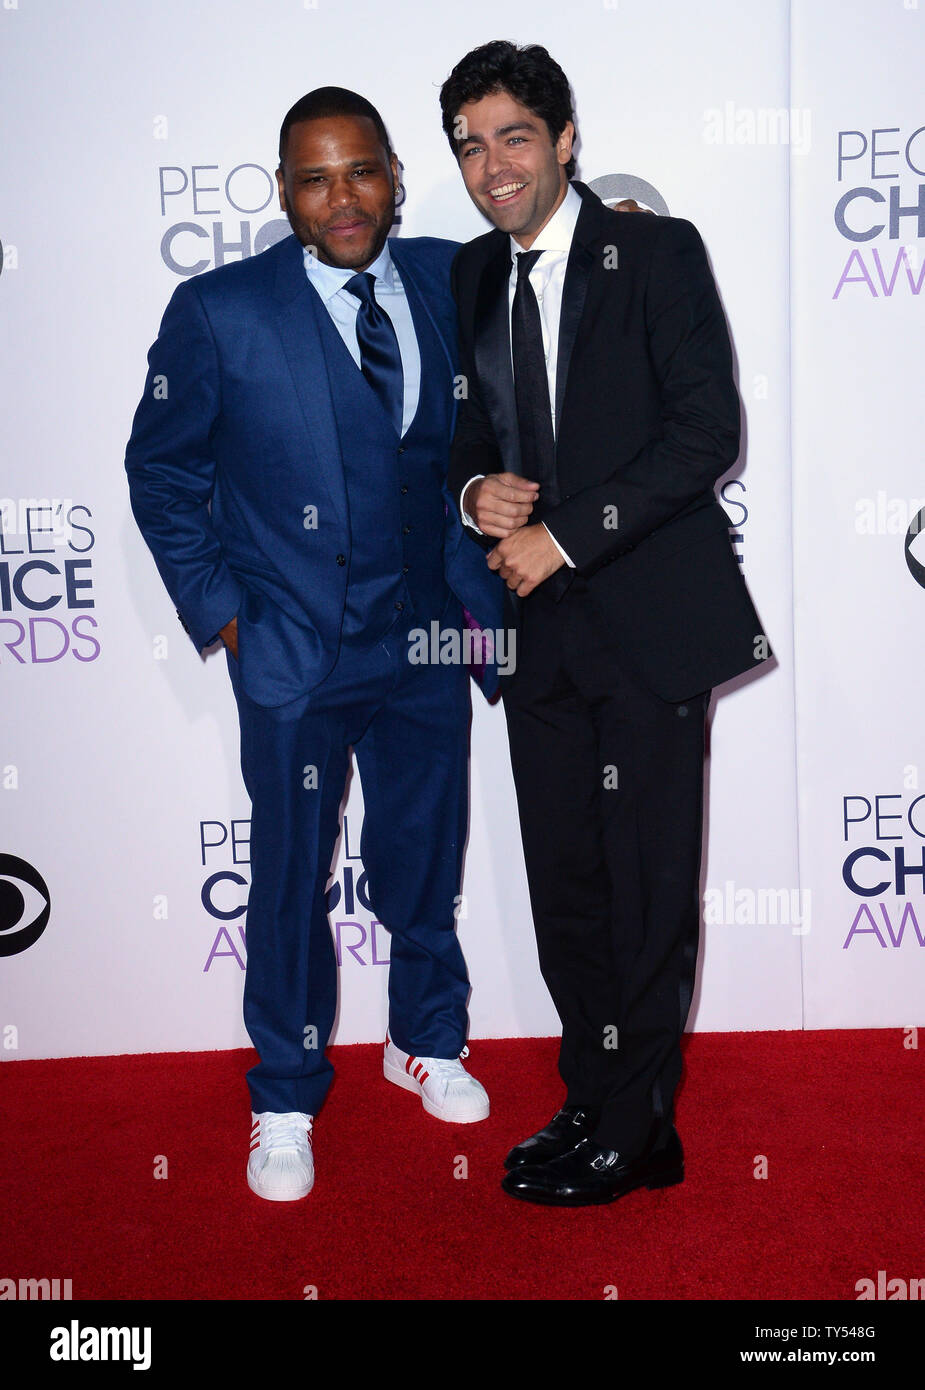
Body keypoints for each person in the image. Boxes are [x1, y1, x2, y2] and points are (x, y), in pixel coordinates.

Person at [125, 87, 505, 1203]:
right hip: (292, 646)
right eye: (313, 177)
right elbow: (162, 470)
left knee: (423, 852)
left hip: (425, 632)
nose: (342, 198)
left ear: (393, 174)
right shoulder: (218, 311)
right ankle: (285, 1089)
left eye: (360, 172)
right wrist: (222, 610)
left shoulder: (447, 277)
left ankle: (424, 1036)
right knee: (292, 873)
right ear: (284, 191)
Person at [440, 41, 772, 1206]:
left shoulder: (657, 252)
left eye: (513, 137)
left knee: (645, 884)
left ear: (565, 140)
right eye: (471, 146)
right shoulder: (473, 277)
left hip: (645, 618)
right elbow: (470, 436)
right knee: (567, 879)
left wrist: (566, 534)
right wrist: (473, 496)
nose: (492, 166)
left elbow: (704, 434)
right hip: (534, 634)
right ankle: (600, 1101)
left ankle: (637, 1123)